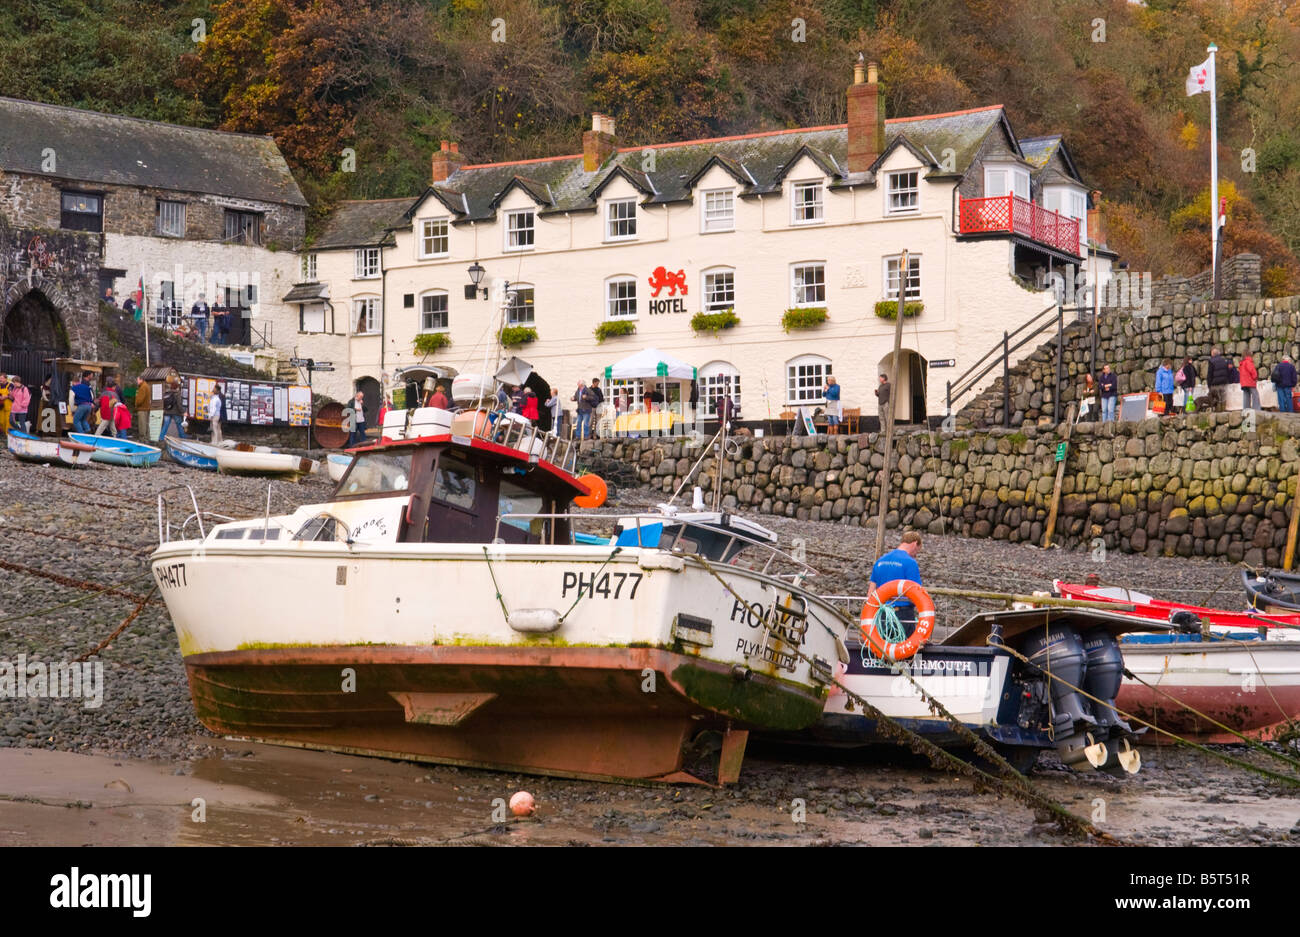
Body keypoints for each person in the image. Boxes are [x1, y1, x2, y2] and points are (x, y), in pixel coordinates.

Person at [867, 531, 924, 635]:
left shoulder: (880, 561)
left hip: (882, 615)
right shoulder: (910, 563)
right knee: (904, 648)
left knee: (882, 648)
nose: (915, 555)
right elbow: (916, 594)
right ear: (915, 544)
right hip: (902, 616)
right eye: (917, 551)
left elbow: (870, 593)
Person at [1205, 347, 1230, 412]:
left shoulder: (1211, 361)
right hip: (1223, 383)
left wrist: (1209, 385)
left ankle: (1218, 413)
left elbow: (1209, 374)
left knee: (1217, 399)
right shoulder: (1224, 360)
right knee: (1223, 398)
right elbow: (1227, 371)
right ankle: (1223, 412)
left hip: (1215, 384)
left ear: (1212, 354)